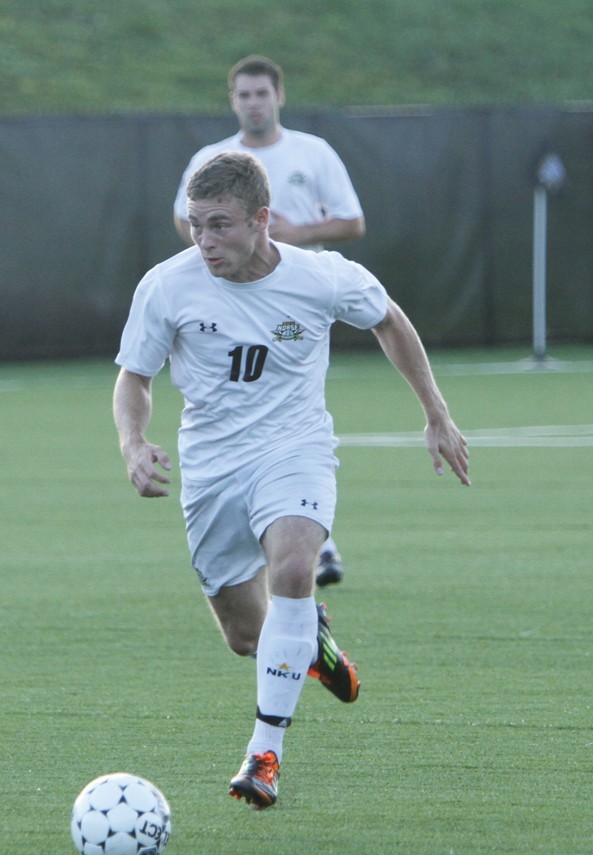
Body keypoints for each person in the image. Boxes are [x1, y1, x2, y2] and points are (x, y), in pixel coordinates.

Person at [116, 151, 468, 809]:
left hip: (293, 449)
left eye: (219, 225)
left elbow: (389, 319)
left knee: (296, 566)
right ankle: (311, 641)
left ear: (261, 219)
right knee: (247, 637)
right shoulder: (167, 286)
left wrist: (436, 413)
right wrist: (133, 442)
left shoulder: (320, 276)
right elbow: (134, 377)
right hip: (212, 469)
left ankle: (264, 753)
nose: (204, 240)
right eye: (195, 224)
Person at [172, 54, 366, 587]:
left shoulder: (312, 152)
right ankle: (273, 536)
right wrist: (220, 244)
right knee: (245, 407)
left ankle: (309, 536)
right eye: (244, 95)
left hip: (295, 305)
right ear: (232, 100)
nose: (253, 103)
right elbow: (183, 218)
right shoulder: (212, 159)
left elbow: (352, 221)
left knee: (291, 410)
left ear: (279, 96)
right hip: (231, 307)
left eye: (261, 93)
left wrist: (295, 235)